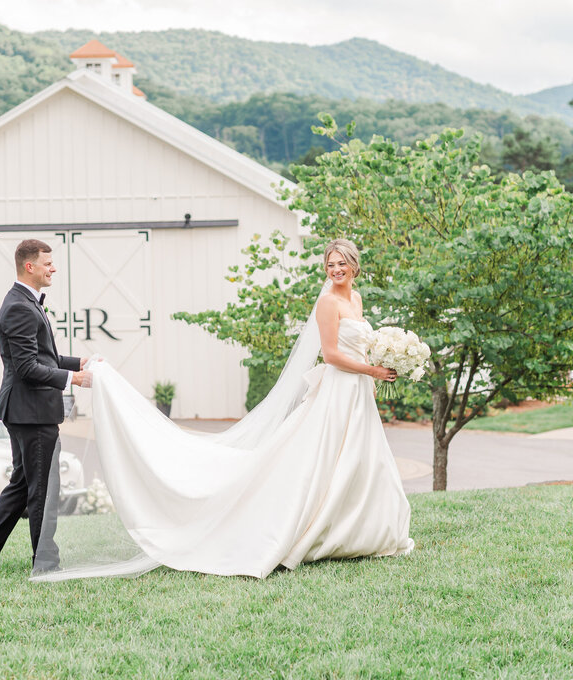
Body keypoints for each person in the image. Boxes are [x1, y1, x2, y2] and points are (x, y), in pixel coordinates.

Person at [33, 238, 414, 581]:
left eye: (341, 264)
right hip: (339, 388)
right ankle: (313, 531)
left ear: (354, 265)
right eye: (330, 264)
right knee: (324, 459)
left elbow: (358, 345)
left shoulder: (357, 298)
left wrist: (379, 360)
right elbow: (330, 354)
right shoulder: (328, 302)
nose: (335, 270)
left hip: (359, 390)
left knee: (362, 458)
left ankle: (366, 529)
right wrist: (372, 369)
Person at [0, 239, 92, 574]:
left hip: (26, 410)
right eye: (47, 263)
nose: (53, 269)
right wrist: (74, 379)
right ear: (29, 266)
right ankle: (46, 562)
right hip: (31, 413)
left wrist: (80, 361)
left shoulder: (26, 302)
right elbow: (26, 368)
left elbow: (43, 357)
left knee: (22, 485)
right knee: (43, 490)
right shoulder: (20, 306)